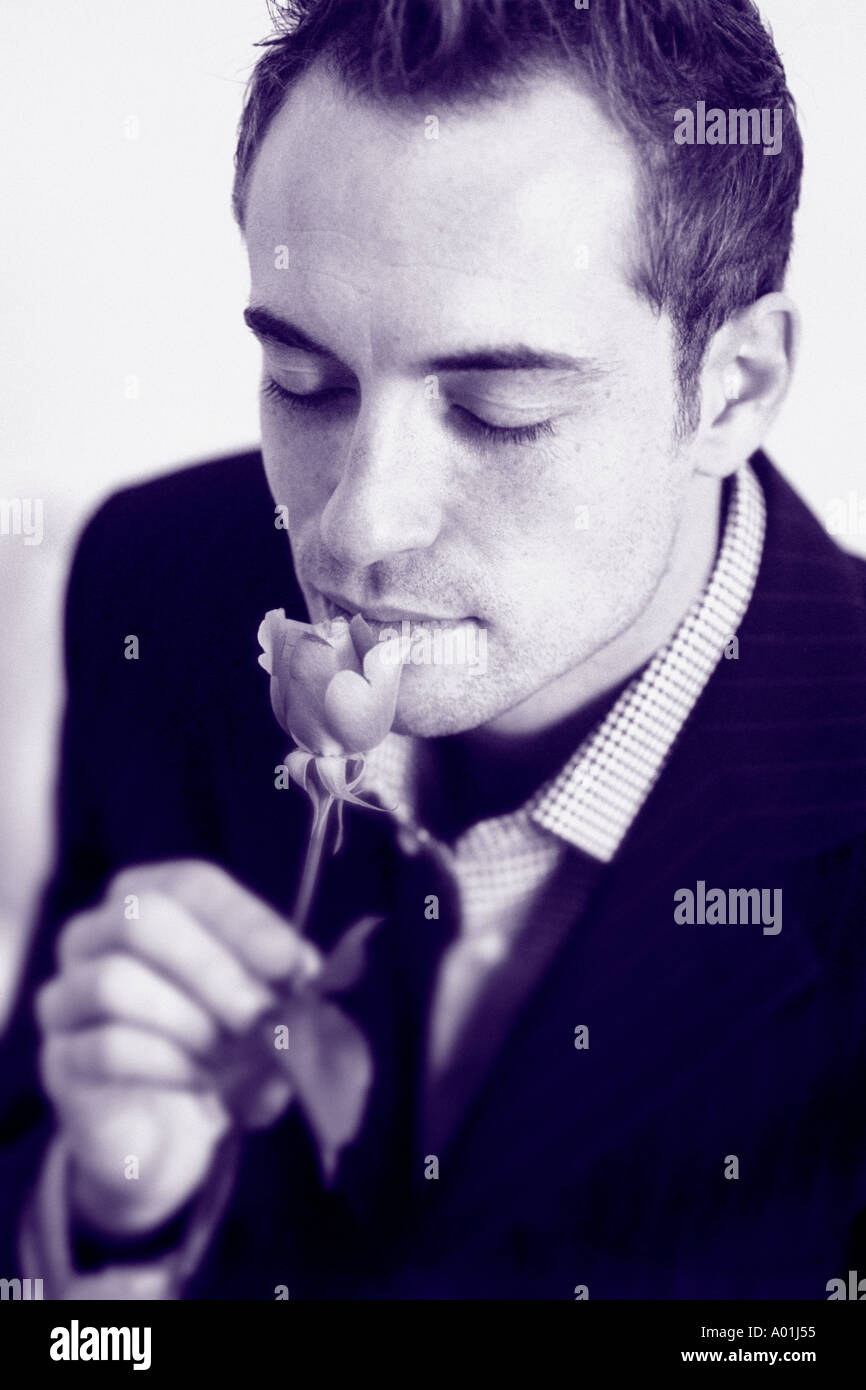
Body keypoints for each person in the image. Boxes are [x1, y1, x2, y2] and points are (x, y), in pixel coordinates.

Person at [2, 0, 866, 1300]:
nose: (353, 526)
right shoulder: (155, 585)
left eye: (496, 410)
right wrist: (109, 1226)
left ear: (731, 386)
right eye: (306, 382)